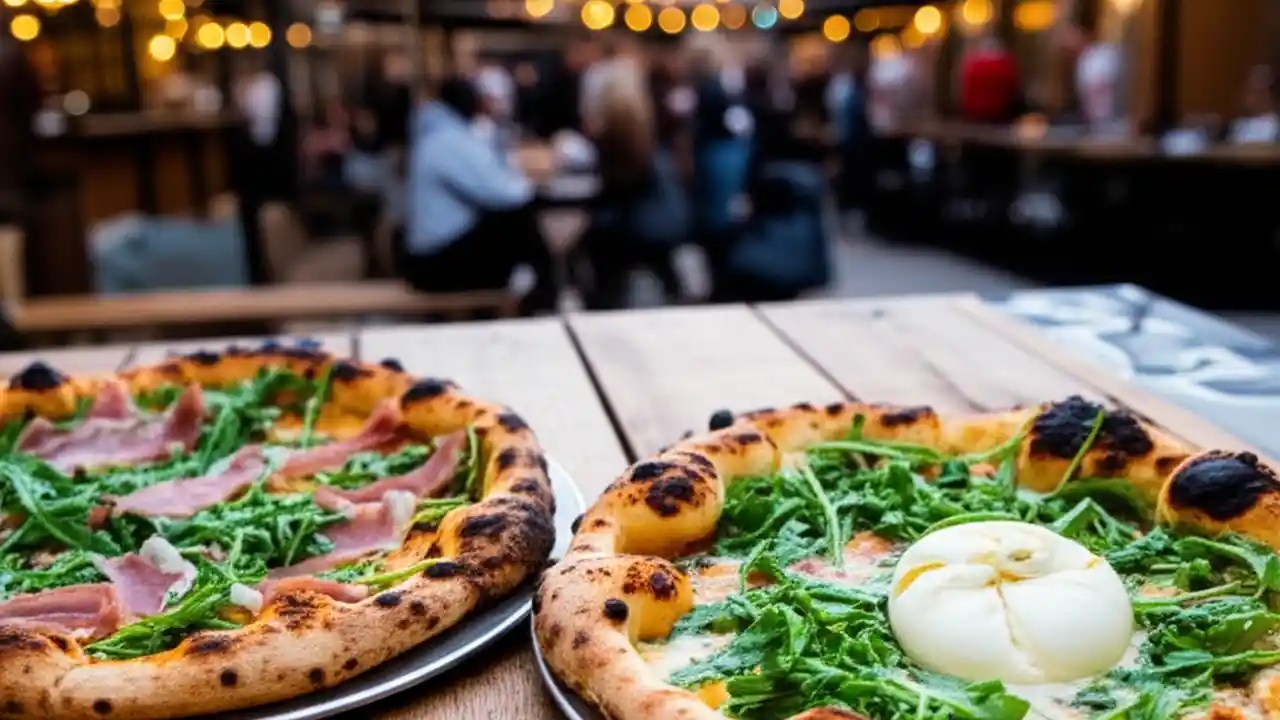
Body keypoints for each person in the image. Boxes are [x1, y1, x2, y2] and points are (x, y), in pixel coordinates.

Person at [401, 77, 555, 311]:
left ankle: (539, 293)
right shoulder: (447, 140)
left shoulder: (438, 134)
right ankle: (544, 298)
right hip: (436, 265)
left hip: (430, 257)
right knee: (519, 220)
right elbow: (503, 193)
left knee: (515, 225)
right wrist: (530, 186)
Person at [579, 56, 686, 309]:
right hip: (668, 215)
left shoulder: (620, 128)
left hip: (641, 225)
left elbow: (618, 185)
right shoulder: (645, 120)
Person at [687, 36, 754, 300]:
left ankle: (724, 281)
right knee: (720, 219)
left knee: (719, 219)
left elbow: (736, 122)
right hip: (720, 156)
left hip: (719, 156)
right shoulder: (716, 84)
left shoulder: (715, 86)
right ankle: (722, 279)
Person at [959, 34, 1021, 124]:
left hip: (974, 113)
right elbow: (1012, 86)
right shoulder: (1004, 65)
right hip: (999, 113)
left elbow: (966, 88)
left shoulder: (973, 64)